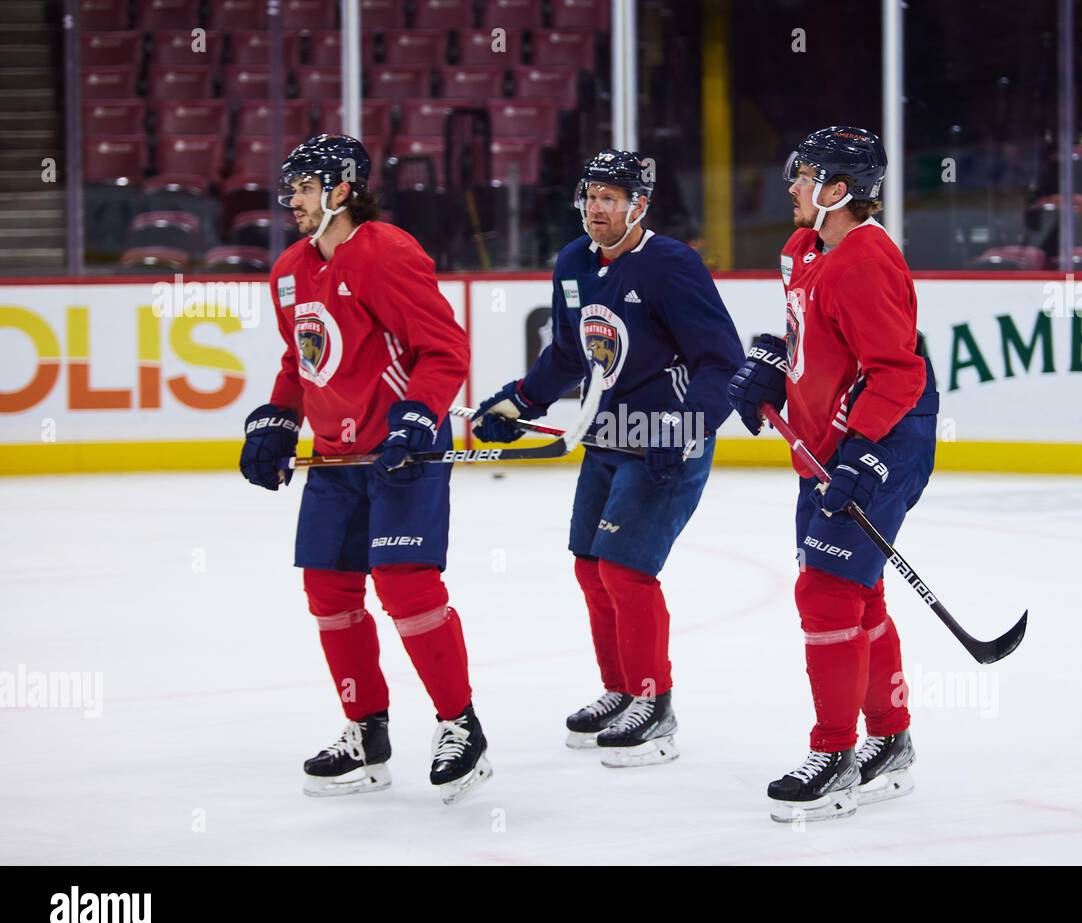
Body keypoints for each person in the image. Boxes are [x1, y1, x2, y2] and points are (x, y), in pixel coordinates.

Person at [238, 134, 490, 804]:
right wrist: (276, 420)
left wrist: (417, 414)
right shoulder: (289, 269)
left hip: (401, 450)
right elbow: (303, 362)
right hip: (334, 458)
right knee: (328, 592)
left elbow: (444, 348)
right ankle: (366, 731)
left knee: (406, 587)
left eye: (304, 187)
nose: (291, 199)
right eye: (290, 187)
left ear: (342, 190)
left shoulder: (385, 252)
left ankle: (460, 725)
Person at [472, 149, 744, 767]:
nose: (596, 208)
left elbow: (721, 363)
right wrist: (517, 403)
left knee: (626, 571)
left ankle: (655, 703)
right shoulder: (573, 262)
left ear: (639, 206)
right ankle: (622, 688)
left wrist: (687, 427)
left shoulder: (671, 266)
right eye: (590, 196)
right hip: (605, 438)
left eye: (610, 199)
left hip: (664, 445)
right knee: (591, 567)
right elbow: (569, 354)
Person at [728, 126, 939, 822]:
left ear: (838, 190)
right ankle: (890, 740)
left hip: (881, 443)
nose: (790, 185)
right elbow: (810, 341)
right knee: (856, 595)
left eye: (804, 175)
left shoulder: (866, 261)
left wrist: (863, 458)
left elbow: (897, 375)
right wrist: (770, 367)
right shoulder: (804, 249)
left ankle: (836, 753)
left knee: (824, 593)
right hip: (825, 448)